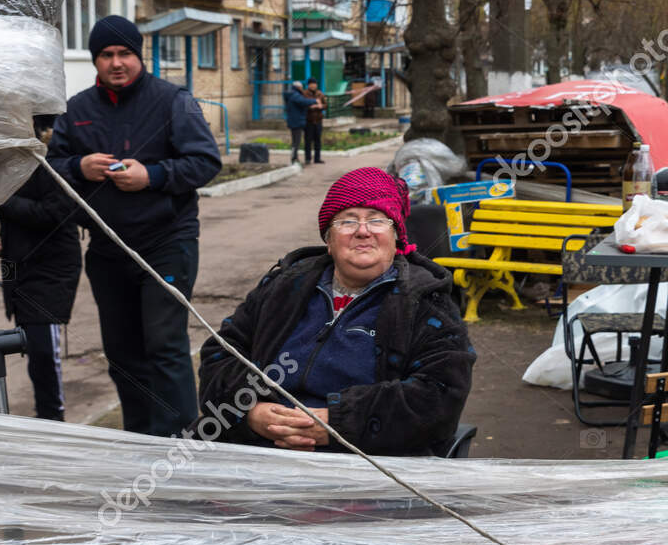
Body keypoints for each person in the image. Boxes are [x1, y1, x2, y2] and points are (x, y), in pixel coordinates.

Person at [197, 168, 474, 454]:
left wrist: (336, 423)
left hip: (365, 460)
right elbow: (220, 353)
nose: (362, 231)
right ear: (329, 240)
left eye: (377, 220)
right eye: (347, 221)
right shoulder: (284, 286)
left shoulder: (427, 302)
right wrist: (249, 412)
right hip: (260, 447)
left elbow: (440, 395)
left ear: (396, 237)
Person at [48, 15, 222, 437]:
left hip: (167, 241)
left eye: (125, 53)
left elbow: (205, 162)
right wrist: (78, 166)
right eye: (106, 55)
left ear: (138, 56)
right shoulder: (77, 110)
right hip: (108, 249)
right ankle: (140, 440)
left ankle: (178, 444)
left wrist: (154, 176)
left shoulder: (172, 101)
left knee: (165, 346)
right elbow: (51, 168)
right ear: (95, 60)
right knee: (123, 353)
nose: (117, 62)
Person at [0, 116, 83, 422]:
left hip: (50, 271)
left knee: (46, 354)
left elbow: (53, 213)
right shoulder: (2, 170)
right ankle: (46, 417)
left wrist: (3, 201)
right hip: (19, 272)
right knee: (35, 353)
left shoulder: (47, 167)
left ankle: (54, 420)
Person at [283, 80, 313, 165]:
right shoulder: (295, 95)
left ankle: (295, 157)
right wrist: (314, 101)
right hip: (296, 121)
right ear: (298, 87)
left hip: (294, 120)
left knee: (295, 141)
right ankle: (293, 158)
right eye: (301, 87)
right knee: (296, 141)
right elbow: (303, 101)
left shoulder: (291, 94)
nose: (302, 88)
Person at [303, 78, 326, 164]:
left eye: (314, 84)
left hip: (318, 120)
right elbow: (302, 104)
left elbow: (325, 105)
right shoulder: (304, 94)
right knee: (308, 140)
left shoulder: (320, 93)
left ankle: (317, 158)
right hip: (308, 120)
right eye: (311, 84)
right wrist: (310, 107)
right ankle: (308, 158)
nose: (313, 85)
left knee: (318, 140)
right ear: (308, 85)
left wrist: (322, 106)